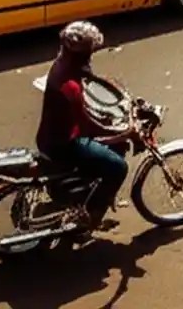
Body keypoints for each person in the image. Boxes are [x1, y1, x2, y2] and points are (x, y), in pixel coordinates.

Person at [35, 21, 130, 231]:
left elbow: (87, 76)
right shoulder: (70, 87)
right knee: (118, 167)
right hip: (64, 144)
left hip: (48, 135)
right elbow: (88, 127)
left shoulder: (61, 65)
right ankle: (91, 218)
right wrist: (121, 132)